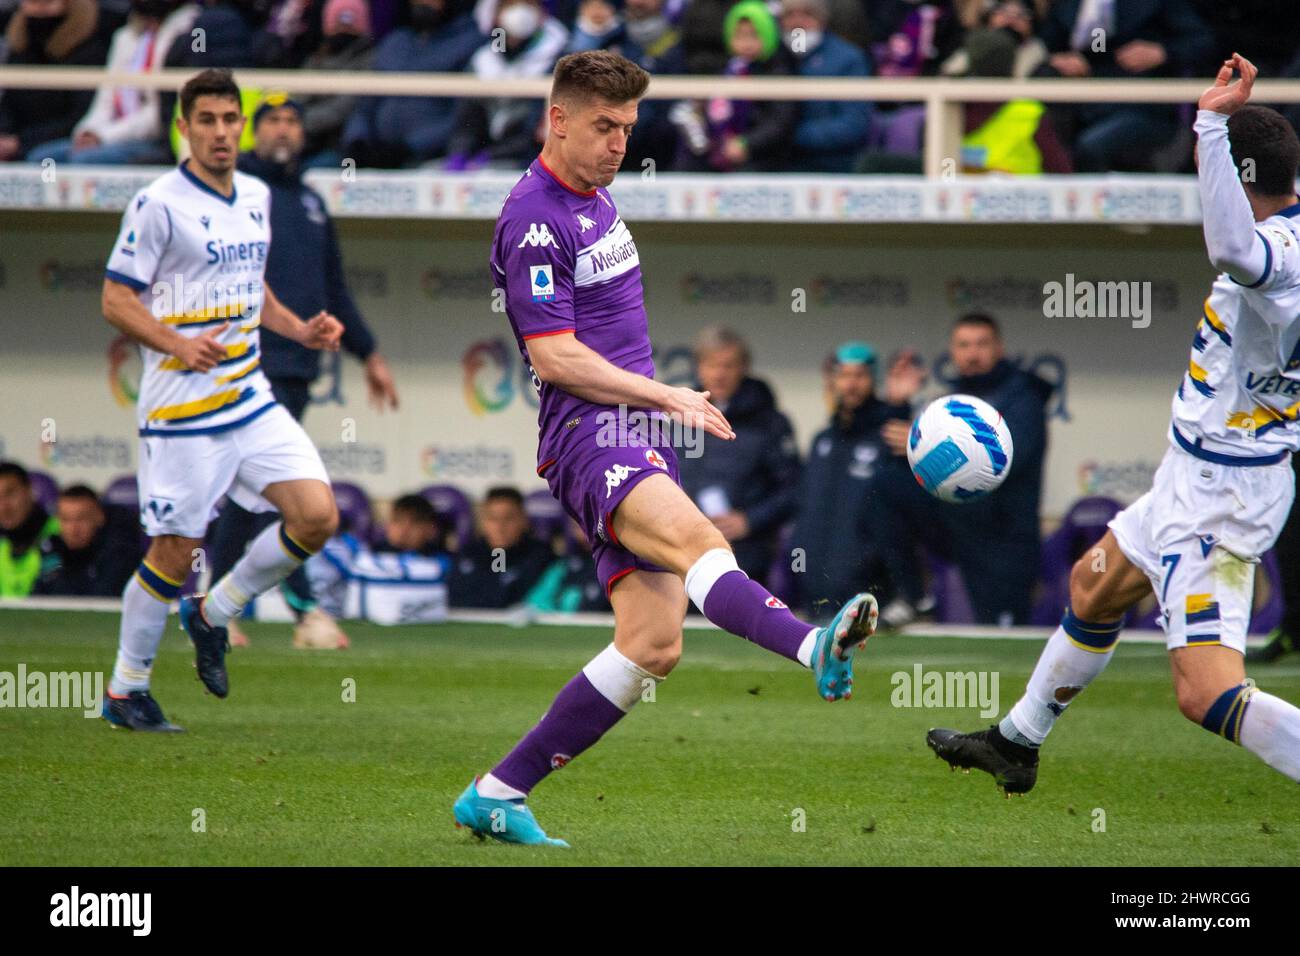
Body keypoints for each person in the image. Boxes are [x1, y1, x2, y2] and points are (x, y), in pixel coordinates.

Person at [452, 51, 878, 848]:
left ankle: (497, 792)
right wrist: (665, 393)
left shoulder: (594, 195)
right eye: (604, 126)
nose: (618, 144)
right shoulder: (534, 216)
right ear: (558, 118)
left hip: (634, 428)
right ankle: (812, 644)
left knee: (654, 642)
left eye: (628, 129)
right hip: (592, 433)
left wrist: (656, 404)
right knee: (702, 544)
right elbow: (552, 356)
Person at [930, 55, 1300, 792]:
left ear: (1237, 172)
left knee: (1206, 693)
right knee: (1093, 585)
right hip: (1192, 474)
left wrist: (1210, 123)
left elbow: (1232, 246)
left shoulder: (1280, 256)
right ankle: (1017, 741)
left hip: (1222, 499)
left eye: (1214, 165)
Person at [99, 68, 345, 733]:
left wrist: (299, 328)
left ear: (243, 125)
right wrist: (175, 343)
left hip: (249, 396)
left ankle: (214, 611)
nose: (219, 133)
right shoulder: (158, 203)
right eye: (204, 120)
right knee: (174, 553)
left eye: (229, 120)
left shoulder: (258, 195)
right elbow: (116, 298)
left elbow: (249, 285)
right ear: (183, 128)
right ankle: (126, 690)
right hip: (182, 411)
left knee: (317, 516)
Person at [207, 92, 399, 651]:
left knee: (256, 494)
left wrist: (372, 355)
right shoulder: (237, 192)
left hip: (295, 367)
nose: (284, 130)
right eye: (272, 122)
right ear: (252, 132)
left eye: (293, 120)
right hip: (245, 364)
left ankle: (224, 607)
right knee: (271, 493)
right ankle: (294, 612)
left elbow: (334, 290)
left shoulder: (312, 204)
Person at [940, 313, 1050, 626]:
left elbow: (1002, 462)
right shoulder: (950, 401)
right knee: (891, 488)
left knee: (1005, 641)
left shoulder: (1023, 398)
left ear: (999, 348)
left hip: (1008, 540)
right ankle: (913, 599)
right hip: (965, 534)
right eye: (964, 345)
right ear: (953, 351)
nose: (972, 354)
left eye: (981, 344)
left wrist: (938, 450)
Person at [792, 342, 909, 618]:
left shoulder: (889, 439)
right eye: (844, 375)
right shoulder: (823, 440)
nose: (851, 384)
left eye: (860, 376)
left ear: (873, 380)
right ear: (832, 381)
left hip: (869, 597)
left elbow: (903, 510)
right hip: (816, 594)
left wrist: (899, 410)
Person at [678, 325, 799, 587]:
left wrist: (749, 520)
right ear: (698, 367)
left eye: (728, 366)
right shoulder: (680, 418)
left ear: (743, 368)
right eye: (711, 365)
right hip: (683, 554)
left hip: (744, 558)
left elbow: (794, 490)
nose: (719, 374)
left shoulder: (770, 423)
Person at [27, 0, 198, 165]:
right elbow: (106, 98)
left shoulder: (189, 32)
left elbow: (159, 112)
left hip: (153, 138)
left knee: (85, 161)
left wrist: (103, 136)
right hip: (110, 134)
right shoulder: (125, 36)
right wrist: (89, 131)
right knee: (42, 158)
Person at [340, 0, 482, 168]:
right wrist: (358, 140)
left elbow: (464, 116)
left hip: (431, 160)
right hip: (376, 155)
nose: (422, 3)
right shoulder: (394, 42)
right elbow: (365, 103)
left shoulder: (469, 42)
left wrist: (410, 147)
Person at [671, 0, 798, 173]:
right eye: (740, 35)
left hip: (764, 157)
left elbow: (779, 122)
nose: (746, 43)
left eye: (754, 35)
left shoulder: (778, 72)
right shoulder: (728, 69)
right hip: (721, 150)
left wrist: (747, 144)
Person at [444, 0, 569, 170]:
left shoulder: (558, 58)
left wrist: (491, 156)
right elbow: (467, 119)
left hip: (531, 161)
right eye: (510, 5)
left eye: (528, 4)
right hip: (482, 160)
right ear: (496, 14)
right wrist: (459, 153)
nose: (520, 12)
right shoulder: (484, 58)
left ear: (542, 14)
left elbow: (533, 129)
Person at [0, 0, 112, 161]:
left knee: (44, 159)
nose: (38, 10)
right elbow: (7, 103)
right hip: (16, 140)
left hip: (56, 140)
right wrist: (4, 136)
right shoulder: (20, 46)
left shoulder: (89, 50)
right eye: (32, 3)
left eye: (47, 3)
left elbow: (80, 114)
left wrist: (20, 142)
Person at [780, 0, 871, 173]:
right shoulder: (771, 57)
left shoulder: (848, 59)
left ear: (822, 18)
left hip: (833, 164)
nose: (797, 22)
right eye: (789, 14)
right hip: (775, 162)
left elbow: (854, 123)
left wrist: (791, 135)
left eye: (807, 14)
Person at [448, 487, 553, 608]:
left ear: (524, 520)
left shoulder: (541, 557)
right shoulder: (467, 554)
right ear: (483, 523)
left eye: (508, 519)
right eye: (493, 519)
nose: (500, 527)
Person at [33, 485, 140, 597]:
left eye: (81, 519)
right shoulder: (52, 551)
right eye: (66, 519)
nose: (73, 529)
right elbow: (37, 600)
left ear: (99, 518)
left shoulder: (120, 554)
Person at [0, 461, 60, 597]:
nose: (4, 507)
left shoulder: (61, 533)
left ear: (30, 491)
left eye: (10, 494)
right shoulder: (2, 544)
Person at [375, 493, 444, 556]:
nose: (404, 530)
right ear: (387, 525)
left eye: (414, 523)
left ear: (431, 529)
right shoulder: (370, 554)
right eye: (398, 521)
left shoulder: (444, 562)